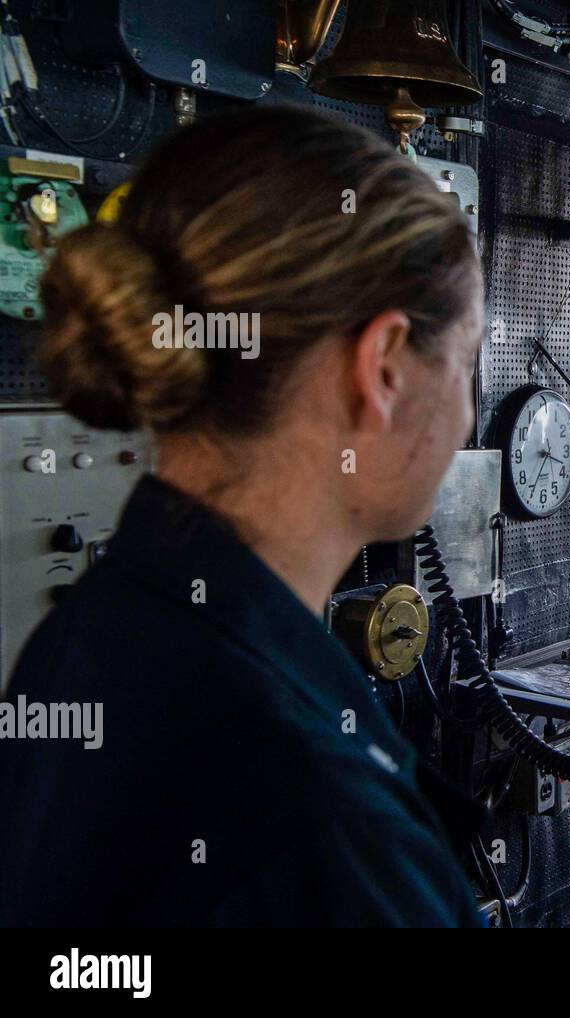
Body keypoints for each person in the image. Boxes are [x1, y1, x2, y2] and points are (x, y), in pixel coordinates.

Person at [0, 107, 485, 926]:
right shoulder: (326, 827)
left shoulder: (89, 632)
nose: (469, 416)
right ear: (386, 369)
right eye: (467, 361)